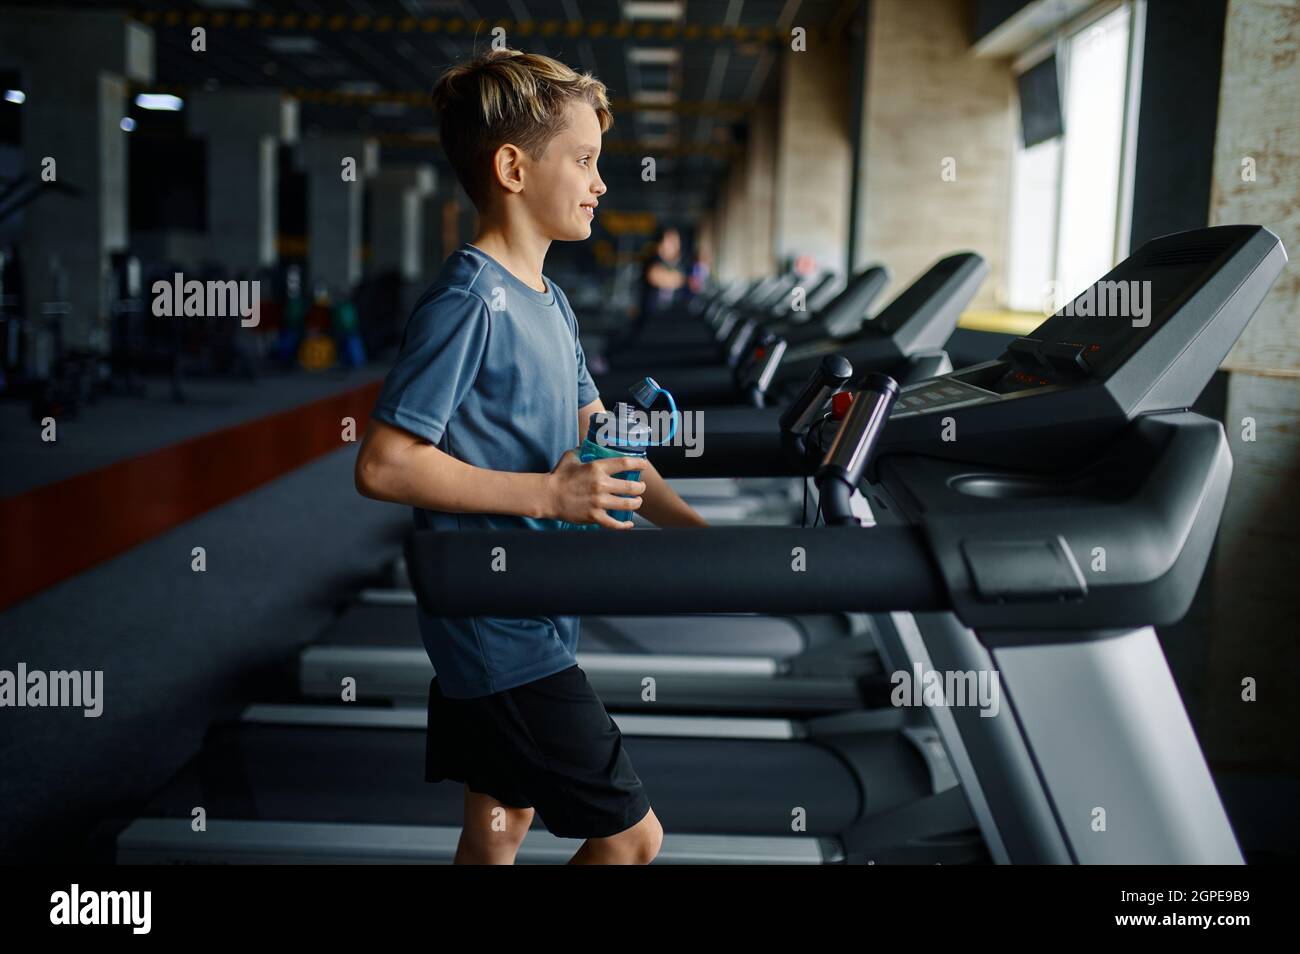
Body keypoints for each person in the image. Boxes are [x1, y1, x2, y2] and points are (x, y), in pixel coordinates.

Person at [354, 49, 708, 865]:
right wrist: (549, 496)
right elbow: (383, 463)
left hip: (538, 602)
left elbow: (605, 442)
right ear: (514, 167)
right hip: (498, 625)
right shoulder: (470, 299)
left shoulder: (550, 304)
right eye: (584, 160)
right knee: (632, 841)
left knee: (498, 825)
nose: (600, 181)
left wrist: (699, 535)